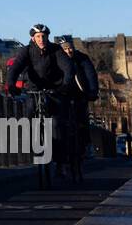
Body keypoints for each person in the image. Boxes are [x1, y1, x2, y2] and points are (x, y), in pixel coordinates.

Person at [6, 25, 75, 173]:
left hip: (54, 90)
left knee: (57, 123)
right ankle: (34, 147)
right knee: (30, 114)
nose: (41, 39)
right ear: (33, 38)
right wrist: (11, 84)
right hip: (34, 90)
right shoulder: (26, 51)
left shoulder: (56, 49)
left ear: (47, 37)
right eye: (38, 37)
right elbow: (15, 68)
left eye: (43, 36)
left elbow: (68, 68)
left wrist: (66, 83)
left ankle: (60, 162)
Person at [58, 35, 97, 160]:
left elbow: (91, 75)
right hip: (63, 92)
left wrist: (92, 91)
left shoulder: (82, 58)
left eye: (70, 48)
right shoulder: (57, 60)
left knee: (82, 119)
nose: (68, 51)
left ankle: (87, 145)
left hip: (80, 92)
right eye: (65, 49)